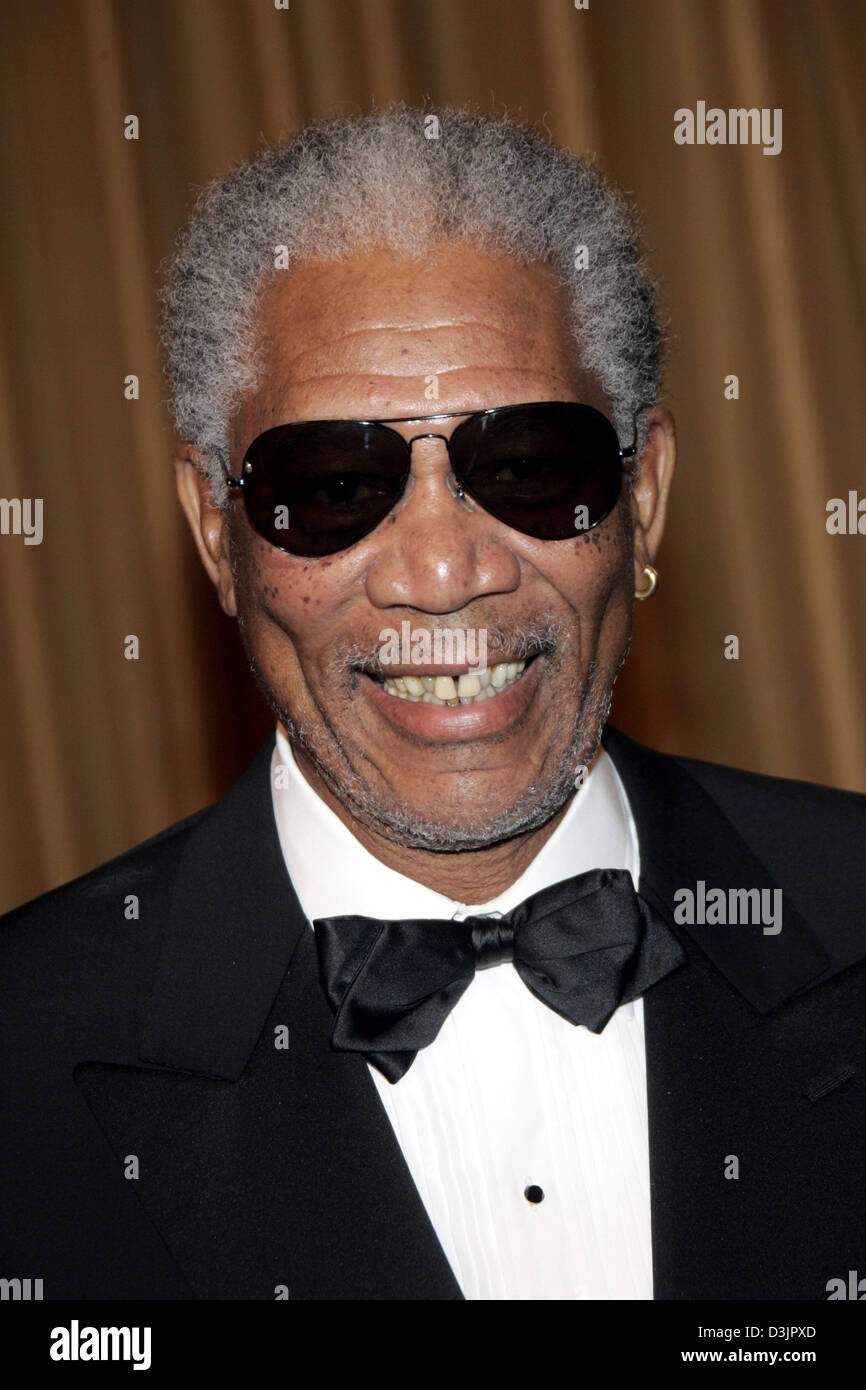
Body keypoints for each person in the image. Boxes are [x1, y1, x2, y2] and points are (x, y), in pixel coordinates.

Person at [2, 108, 865, 1302]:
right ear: (218, 535)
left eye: (524, 465)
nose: (442, 571)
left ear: (642, 494)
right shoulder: (24, 1058)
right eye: (335, 484)